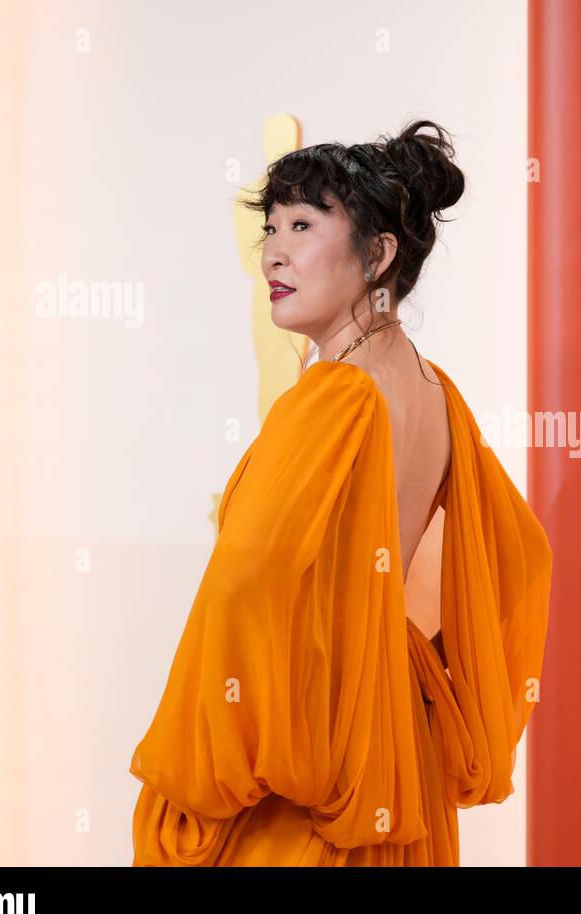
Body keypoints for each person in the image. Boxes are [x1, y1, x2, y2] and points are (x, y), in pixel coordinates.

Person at [128, 120, 553, 865]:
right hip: (394, 754)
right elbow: (519, 559)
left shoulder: (336, 395)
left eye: (303, 224)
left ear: (379, 254)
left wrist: (208, 762)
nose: (274, 252)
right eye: (270, 227)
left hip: (315, 773)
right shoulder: (435, 391)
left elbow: (246, 581)